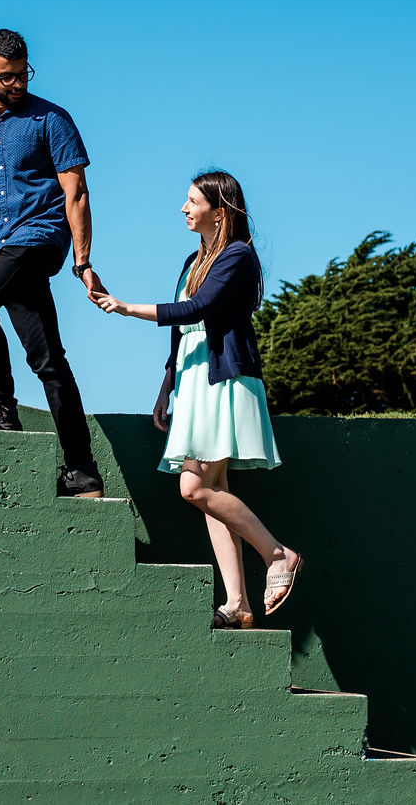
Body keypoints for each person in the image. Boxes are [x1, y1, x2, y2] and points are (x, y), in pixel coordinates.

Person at [90, 170, 302, 625]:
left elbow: (194, 311)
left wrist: (126, 307)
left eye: (192, 201)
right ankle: (238, 603)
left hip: (223, 380)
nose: (184, 208)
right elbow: (182, 336)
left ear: (218, 211)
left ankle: (278, 553)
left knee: (195, 486)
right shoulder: (194, 259)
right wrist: (167, 389)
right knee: (214, 490)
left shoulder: (238, 257)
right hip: (194, 382)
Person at [0, 28, 106, 498]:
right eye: (8, 77)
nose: (18, 84)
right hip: (6, 248)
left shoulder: (52, 119)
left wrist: (82, 260)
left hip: (42, 239)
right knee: (49, 361)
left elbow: (77, 192)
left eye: (23, 74)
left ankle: (2, 410)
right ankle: (83, 472)